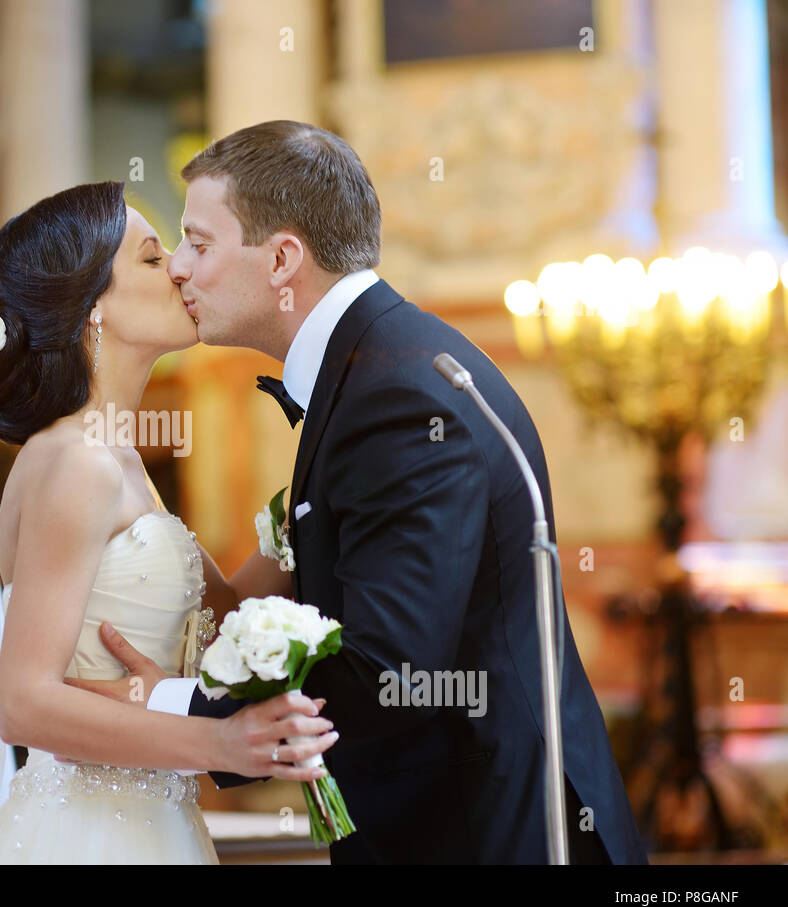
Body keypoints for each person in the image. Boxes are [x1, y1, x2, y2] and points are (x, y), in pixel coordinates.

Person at [75, 120, 650, 865]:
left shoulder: (400, 398)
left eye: (199, 241)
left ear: (283, 258)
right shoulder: (381, 367)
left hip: (493, 835)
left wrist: (179, 714)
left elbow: (390, 673)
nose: (180, 267)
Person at [0, 182, 338, 865]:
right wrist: (220, 744)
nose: (178, 267)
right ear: (91, 314)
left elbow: (226, 615)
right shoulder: (76, 463)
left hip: (151, 826)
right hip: (88, 835)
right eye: (150, 257)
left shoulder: (115, 457)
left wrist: (317, 492)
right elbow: (23, 701)